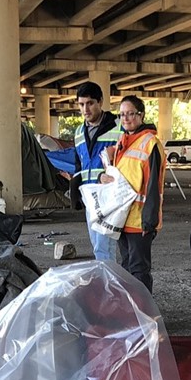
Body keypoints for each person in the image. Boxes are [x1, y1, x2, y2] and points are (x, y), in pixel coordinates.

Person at [46, 81, 121, 260]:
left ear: (100, 102)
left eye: (90, 103)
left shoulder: (118, 126)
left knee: (104, 249)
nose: (85, 109)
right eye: (81, 104)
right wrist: (76, 190)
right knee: (98, 247)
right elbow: (79, 163)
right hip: (89, 196)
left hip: (108, 196)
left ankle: (107, 285)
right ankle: (108, 283)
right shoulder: (79, 131)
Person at [99, 95, 165, 292]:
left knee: (139, 270)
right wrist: (104, 175)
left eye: (130, 114)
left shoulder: (150, 143)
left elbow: (153, 186)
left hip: (139, 220)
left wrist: (149, 221)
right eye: (122, 115)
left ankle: (144, 314)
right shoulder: (123, 141)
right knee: (127, 268)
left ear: (141, 115)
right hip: (123, 218)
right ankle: (132, 311)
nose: (126, 118)